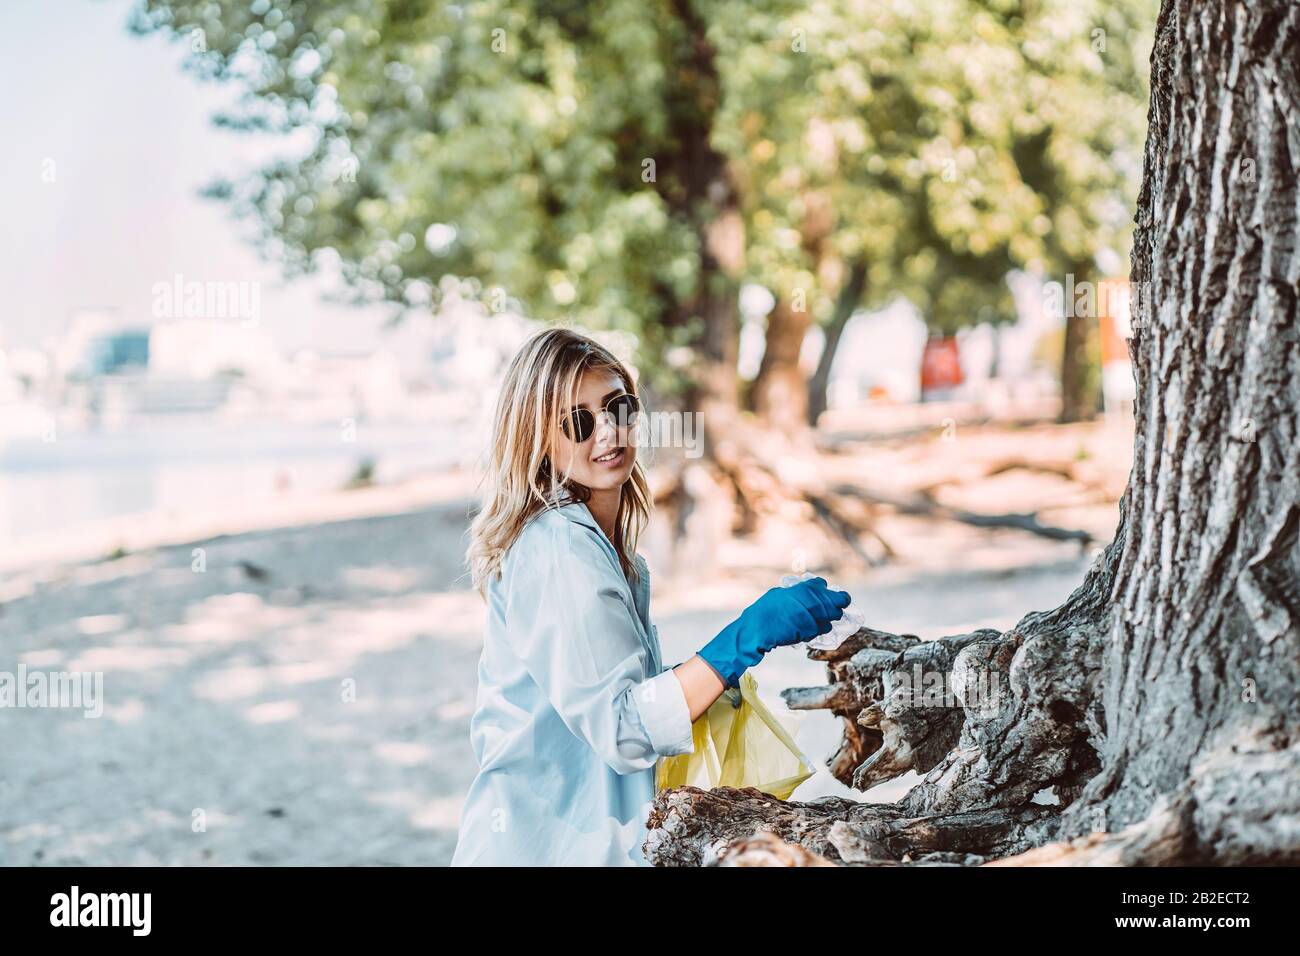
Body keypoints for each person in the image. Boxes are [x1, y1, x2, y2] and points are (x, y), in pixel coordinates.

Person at [450, 327, 851, 866]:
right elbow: (623, 728)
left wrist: (713, 679)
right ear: (539, 439)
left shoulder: (600, 545)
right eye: (578, 421)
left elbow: (610, 694)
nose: (608, 433)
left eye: (617, 406)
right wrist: (744, 638)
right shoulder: (560, 547)